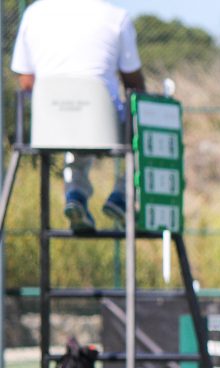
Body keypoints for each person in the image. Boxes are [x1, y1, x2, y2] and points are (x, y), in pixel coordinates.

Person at [10, 0, 146, 230]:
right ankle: (122, 197)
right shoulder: (116, 17)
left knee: (75, 126)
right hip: (101, 124)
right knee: (143, 123)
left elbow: (25, 79)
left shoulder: (33, 14)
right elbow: (133, 83)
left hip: (48, 127)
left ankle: (75, 195)